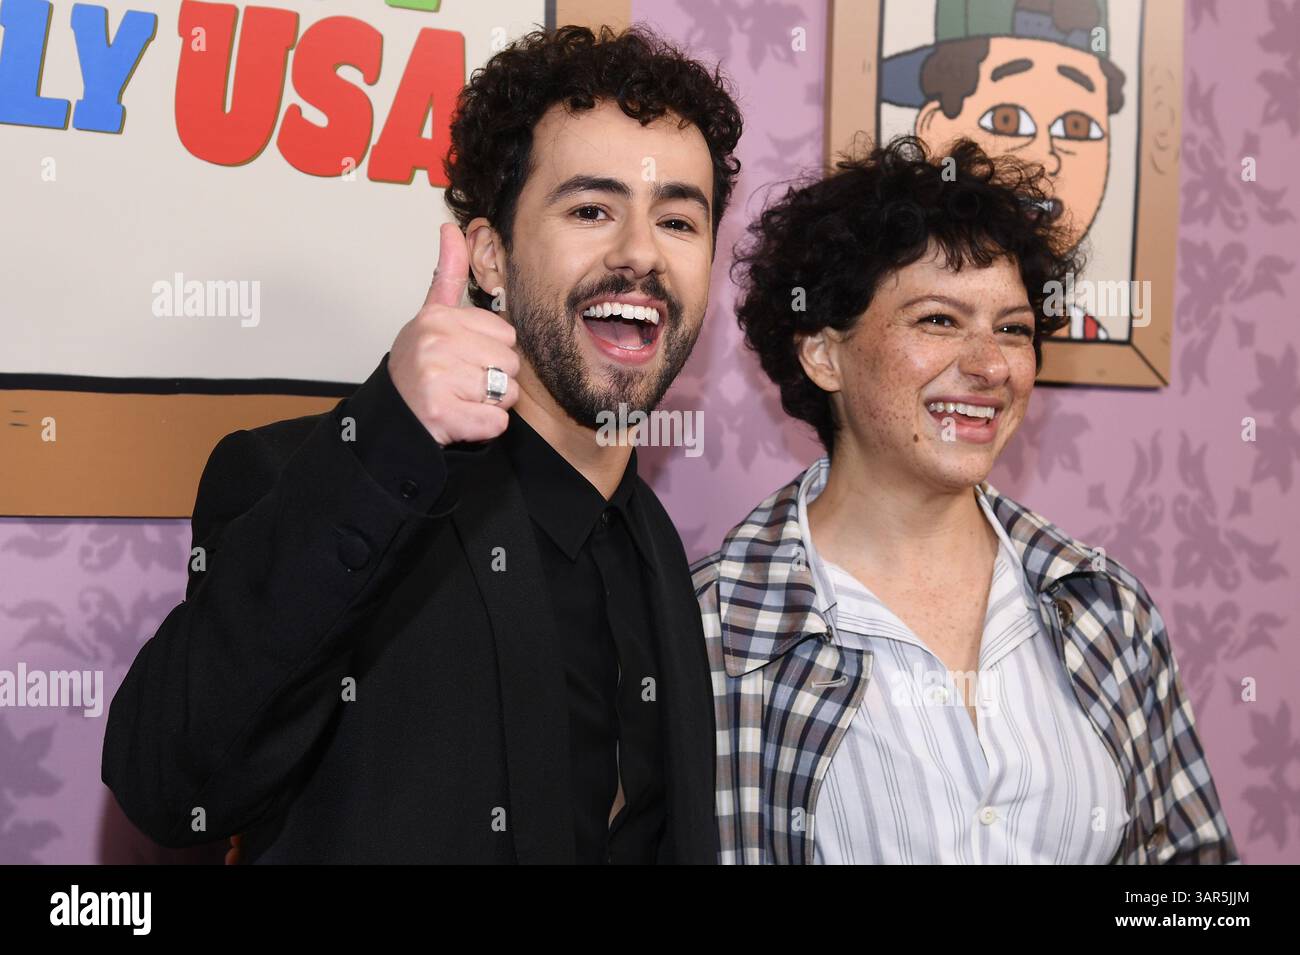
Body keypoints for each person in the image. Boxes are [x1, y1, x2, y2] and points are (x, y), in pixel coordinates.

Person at [102, 24, 742, 864]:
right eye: (592, 209)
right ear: (491, 256)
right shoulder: (319, 478)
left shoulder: (662, 552)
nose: (639, 254)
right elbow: (168, 784)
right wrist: (385, 444)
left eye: (678, 221)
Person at [693, 136, 1238, 864]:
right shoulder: (714, 632)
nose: (989, 365)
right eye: (939, 320)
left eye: (1012, 329)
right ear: (824, 353)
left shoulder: (1103, 605)